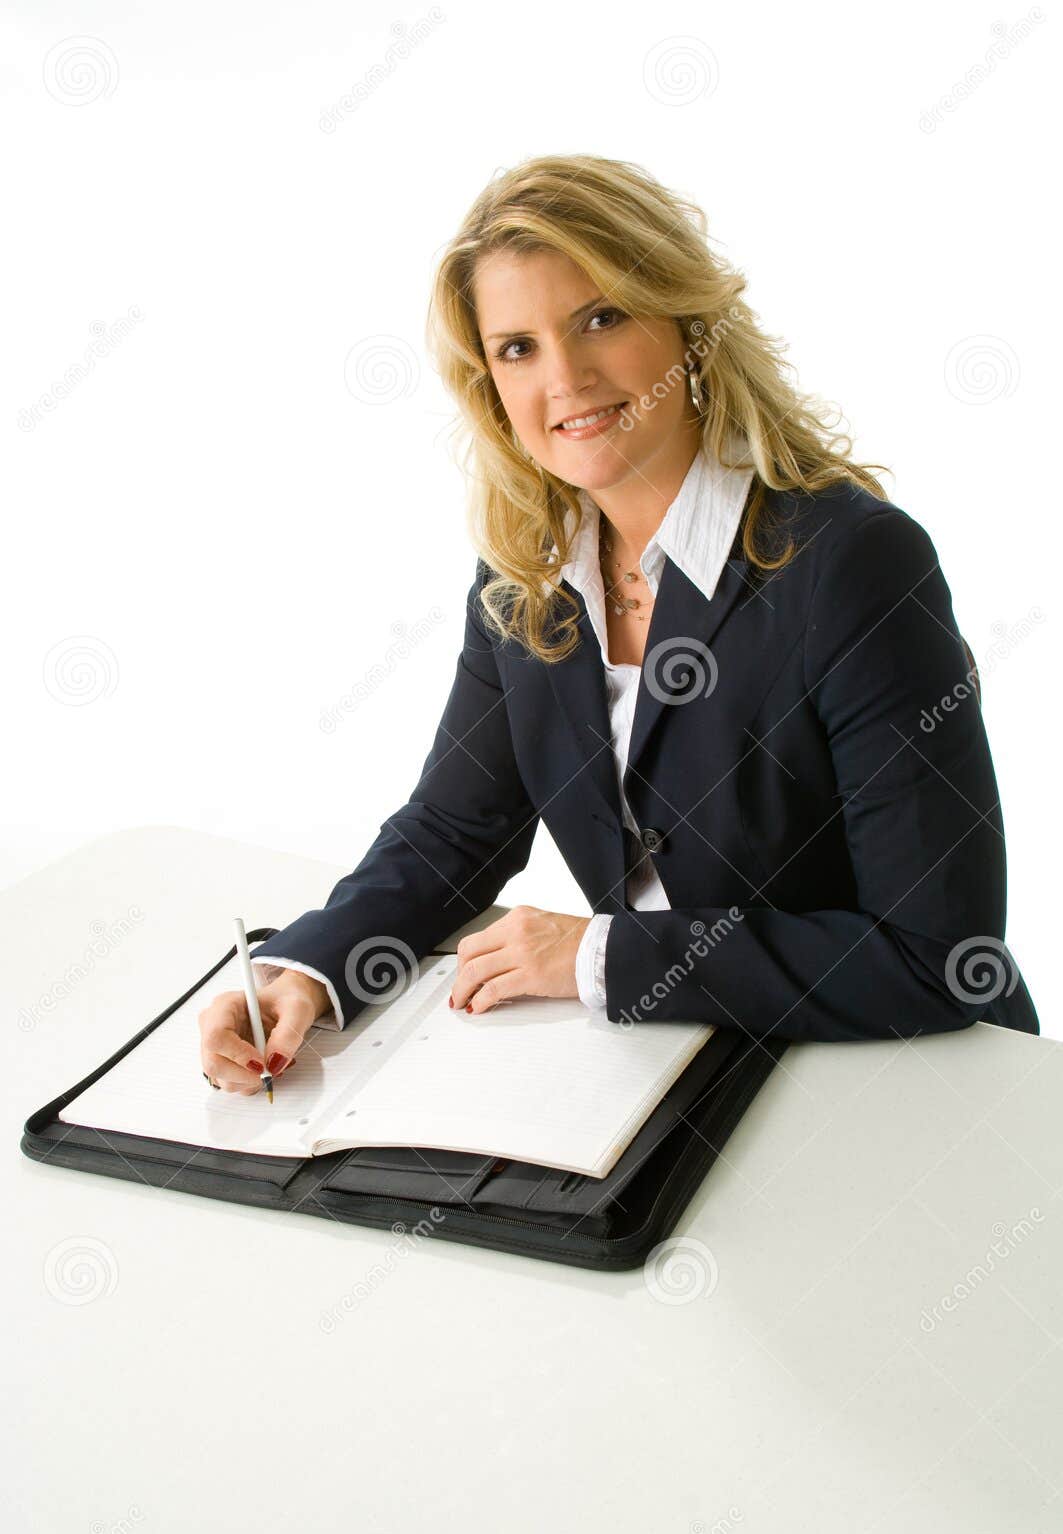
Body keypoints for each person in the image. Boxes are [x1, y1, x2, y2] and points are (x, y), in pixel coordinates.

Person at [199, 152, 1038, 1094]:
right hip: (678, 1060)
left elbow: (939, 955)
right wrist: (306, 972)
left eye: (601, 318)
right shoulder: (529, 571)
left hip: (895, 1076)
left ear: (687, 325)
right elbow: (454, 828)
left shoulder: (850, 562)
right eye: (517, 347)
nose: (565, 377)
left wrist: (602, 958)